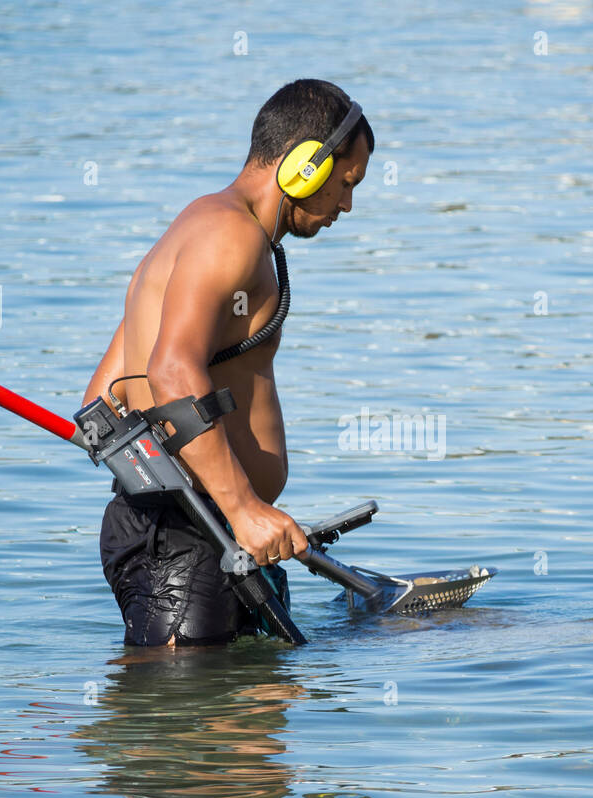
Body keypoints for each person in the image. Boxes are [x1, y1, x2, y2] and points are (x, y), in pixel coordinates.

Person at [81, 79, 374, 646]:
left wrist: (233, 513)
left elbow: (103, 396)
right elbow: (170, 372)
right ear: (303, 167)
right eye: (344, 183)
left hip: (189, 530)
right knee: (180, 724)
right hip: (190, 540)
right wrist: (241, 507)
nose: (347, 205)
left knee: (253, 726)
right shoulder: (230, 237)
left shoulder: (199, 223)